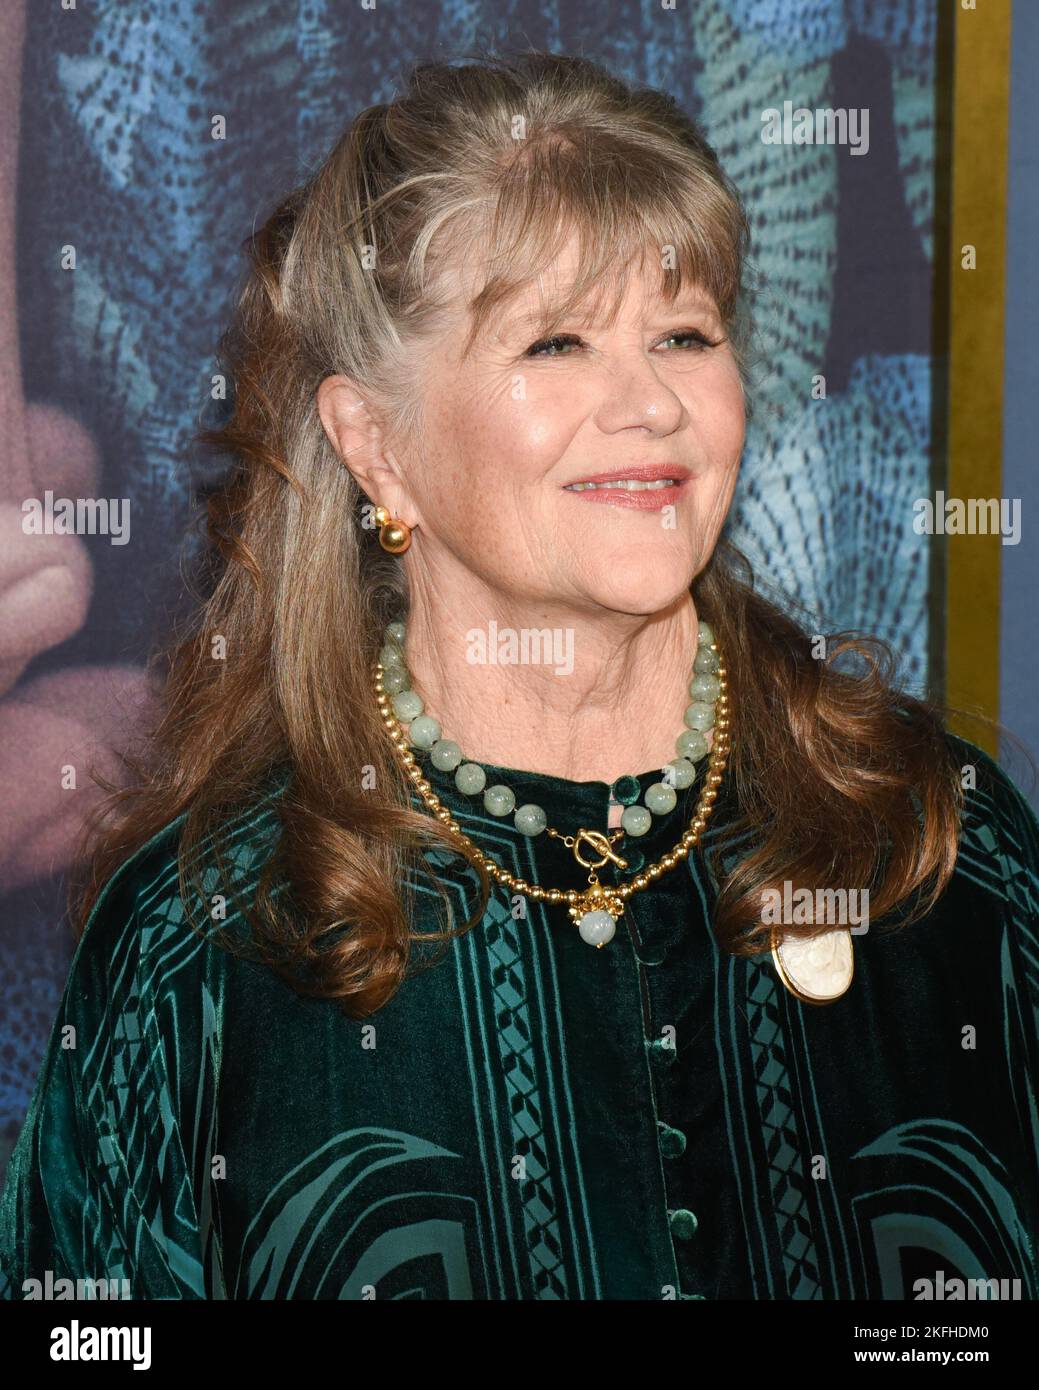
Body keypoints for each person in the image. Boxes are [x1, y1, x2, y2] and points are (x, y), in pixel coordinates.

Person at [2, 50, 1037, 1303]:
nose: (650, 403)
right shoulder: (208, 943)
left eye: (683, 333)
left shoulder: (938, 845)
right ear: (373, 446)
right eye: (555, 341)